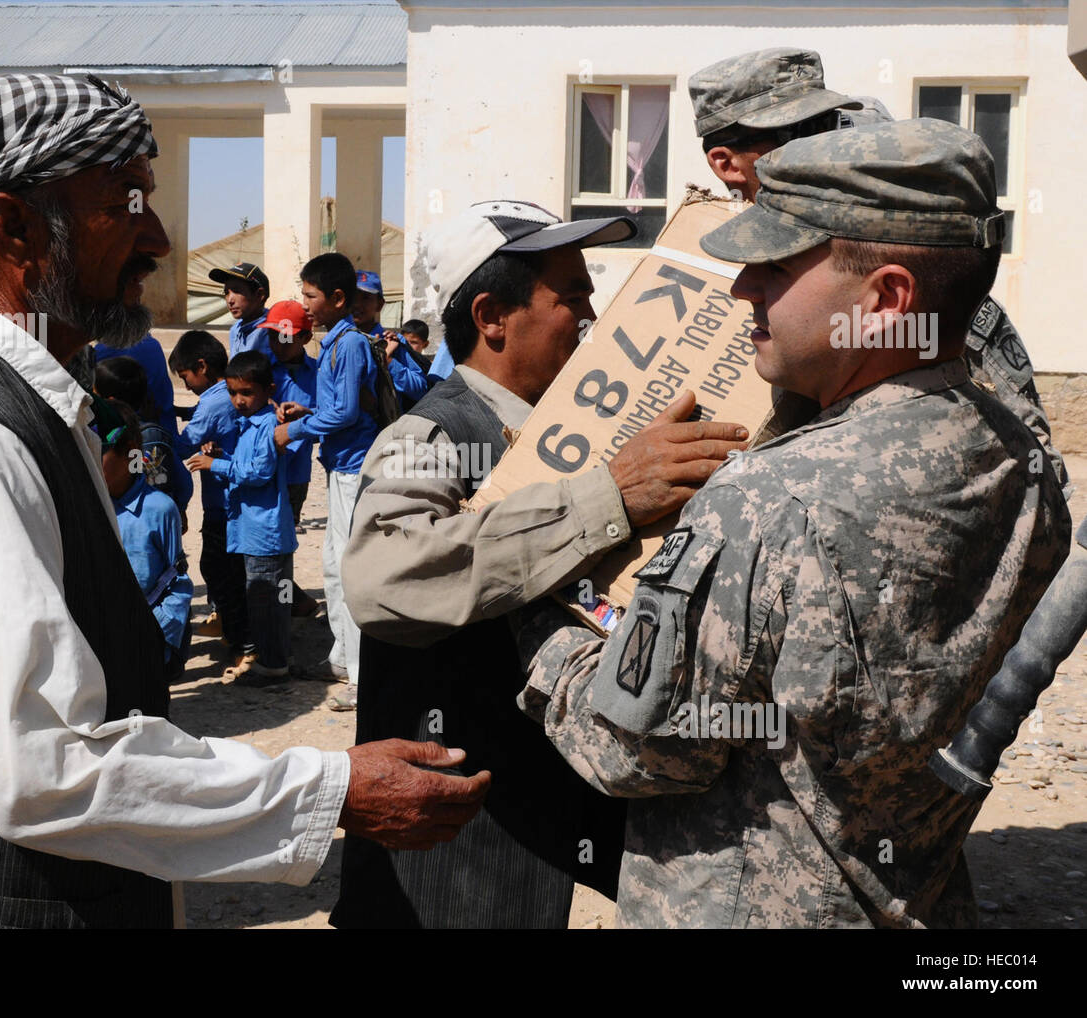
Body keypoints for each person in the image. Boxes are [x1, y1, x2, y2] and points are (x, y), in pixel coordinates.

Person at [0, 73, 490, 929]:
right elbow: (45, 765)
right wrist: (330, 788)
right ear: (12, 226)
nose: (157, 235)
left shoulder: (11, 396)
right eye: (123, 201)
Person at [513, 119, 1071, 928]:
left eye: (774, 268)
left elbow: (642, 748)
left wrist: (545, 634)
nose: (743, 290)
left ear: (885, 299)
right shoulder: (1026, 461)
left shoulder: (773, 497)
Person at [331, 199, 752, 928]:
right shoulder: (431, 435)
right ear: (493, 315)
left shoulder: (573, 432)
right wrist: (605, 498)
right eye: (573, 296)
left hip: (546, 827)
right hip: (452, 857)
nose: (595, 316)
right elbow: (384, 578)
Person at [689, 47, 1067, 488]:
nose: (826, 142)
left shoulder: (898, 276)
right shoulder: (704, 261)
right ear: (725, 163)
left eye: (827, 124)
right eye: (799, 132)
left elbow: (1031, 461)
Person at [274, 253, 380, 688]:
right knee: (333, 564)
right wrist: (310, 409)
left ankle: (359, 674)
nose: (305, 306)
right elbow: (336, 407)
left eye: (311, 296)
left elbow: (346, 414)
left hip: (356, 469)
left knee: (348, 566)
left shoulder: (350, 343)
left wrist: (294, 429)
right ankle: (341, 656)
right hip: (340, 466)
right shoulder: (335, 342)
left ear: (338, 298)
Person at [185, 352, 296, 684]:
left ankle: (273, 665)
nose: (239, 400)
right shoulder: (248, 425)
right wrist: (221, 457)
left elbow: (258, 473)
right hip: (253, 530)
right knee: (264, 602)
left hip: (265, 533)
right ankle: (274, 658)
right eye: (233, 393)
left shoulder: (267, 426)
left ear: (267, 390)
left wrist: (215, 465)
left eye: (246, 393)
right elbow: (244, 468)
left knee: (267, 604)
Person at [168, 329, 253, 673]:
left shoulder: (215, 402)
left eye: (186, 377)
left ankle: (244, 644)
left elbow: (182, 446)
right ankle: (238, 636)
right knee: (229, 573)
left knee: (220, 573)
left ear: (201, 366)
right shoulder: (220, 397)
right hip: (230, 504)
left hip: (225, 506)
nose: (186, 385)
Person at [101, 400, 193, 685]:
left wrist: (159, 635)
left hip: (148, 640)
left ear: (131, 453)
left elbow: (176, 580)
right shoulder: (86, 506)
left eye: (98, 453)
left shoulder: (160, 509)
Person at [261, 298, 321, 617]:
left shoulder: (321, 372)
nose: (277, 343)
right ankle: (285, 598)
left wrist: (307, 413)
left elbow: (334, 416)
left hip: (295, 474)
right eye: (272, 336)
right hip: (263, 469)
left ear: (305, 339)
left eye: (284, 336)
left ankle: (286, 601)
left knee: (284, 541)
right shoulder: (259, 370)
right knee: (265, 540)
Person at [95, 355, 193, 520]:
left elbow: (135, 479)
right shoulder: (150, 432)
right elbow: (183, 482)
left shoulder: (139, 437)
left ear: (110, 401)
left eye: (95, 395)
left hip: (140, 520)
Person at [353, 269, 427, 410]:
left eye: (365, 298)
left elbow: (420, 389)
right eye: (353, 298)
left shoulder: (393, 342)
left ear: (380, 304)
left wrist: (387, 361)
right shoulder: (341, 341)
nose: (357, 304)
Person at [210, 261, 270, 360]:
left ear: (259, 295)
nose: (230, 300)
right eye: (226, 293)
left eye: (237, 291)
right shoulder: (235, 330)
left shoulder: (279, 329)